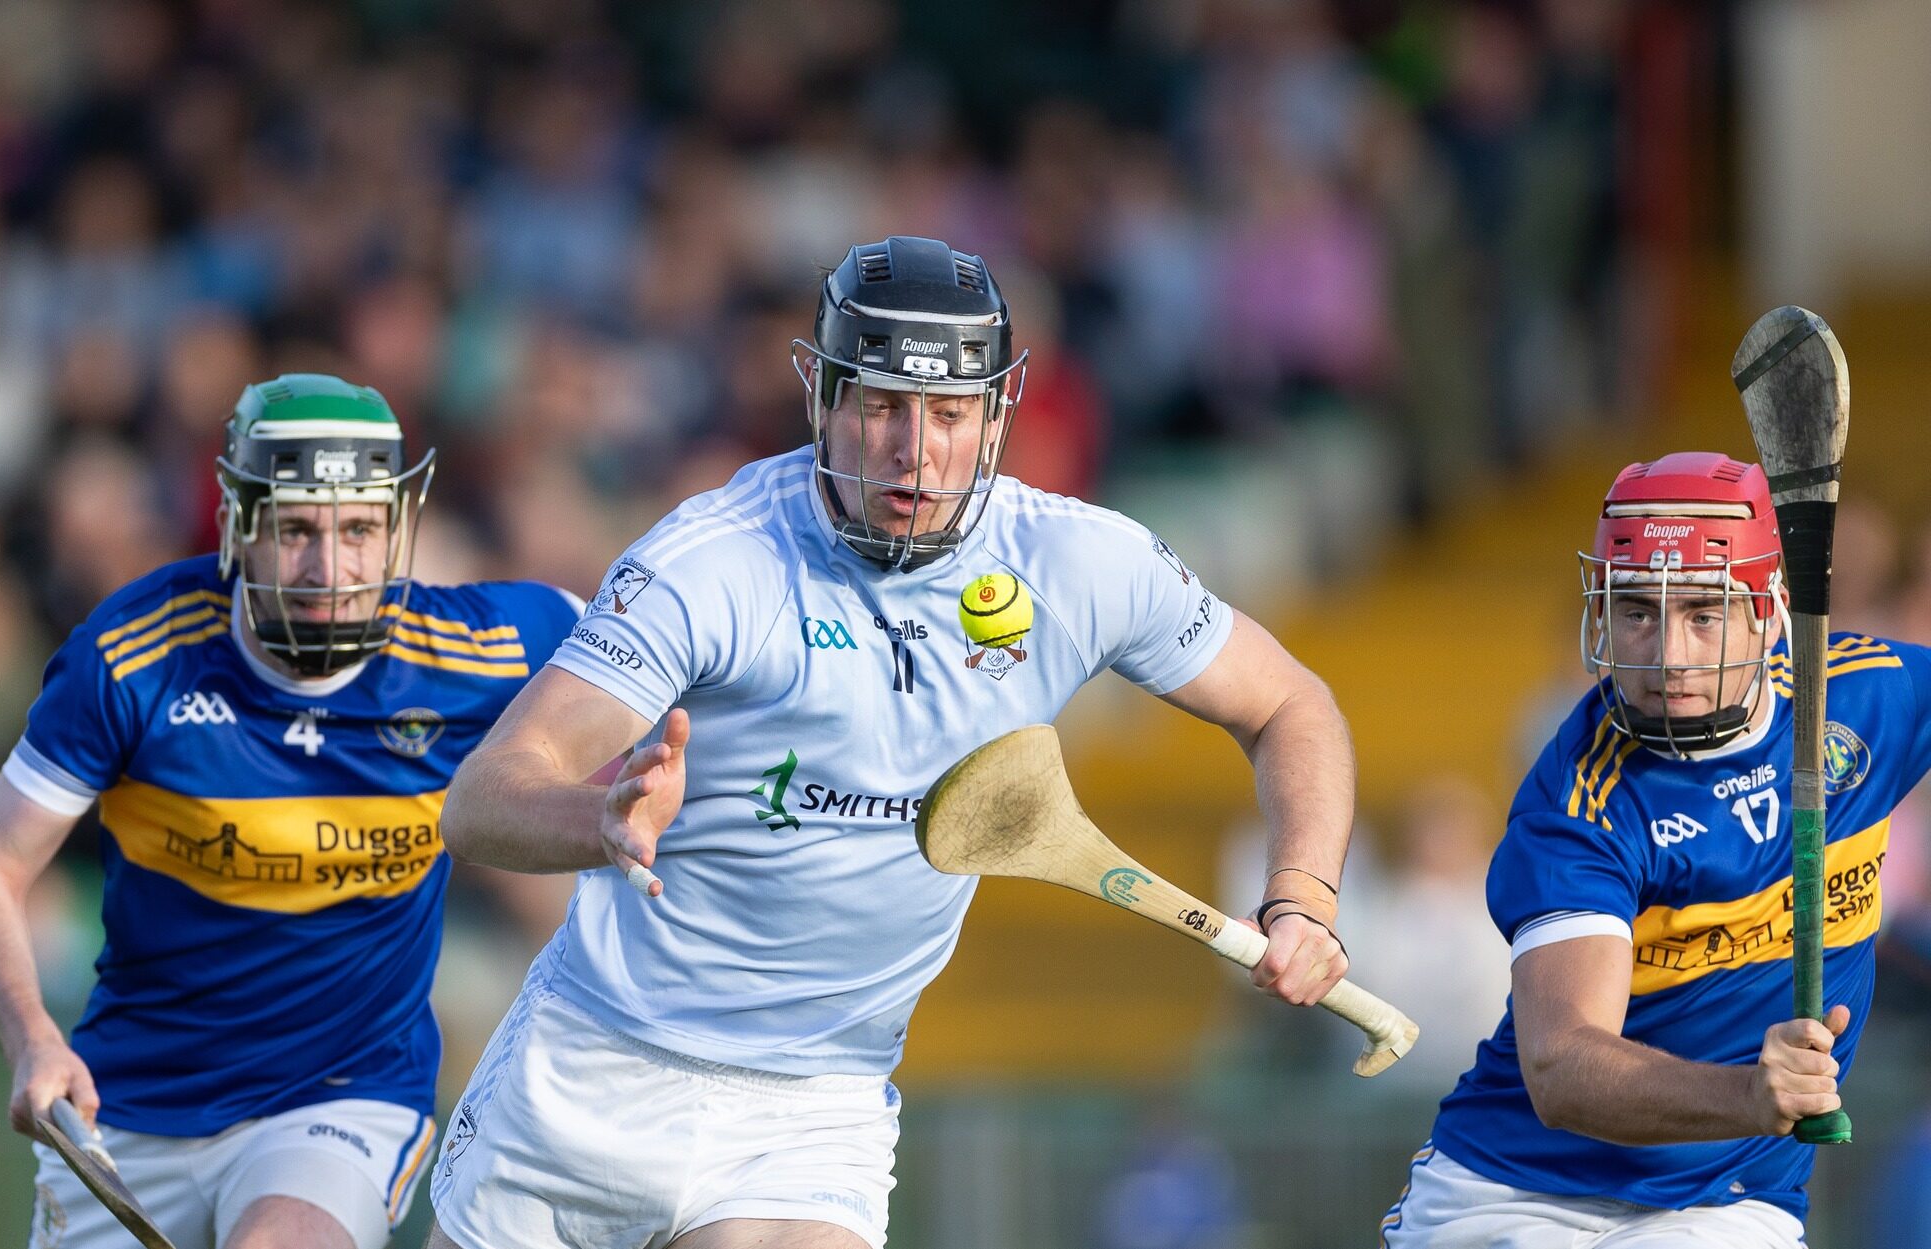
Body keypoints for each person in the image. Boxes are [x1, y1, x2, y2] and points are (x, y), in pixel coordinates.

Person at [424, 235, 1359, 1249]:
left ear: (999, 412)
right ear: (821, 396)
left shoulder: (1079, 563)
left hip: (814, 1102)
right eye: (879, 404)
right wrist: (595, 818)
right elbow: (482, 799)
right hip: (594, 1067)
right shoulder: (714, 562)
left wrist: (1301, 896)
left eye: (950, 413)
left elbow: (1288, 707)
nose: (914, 448)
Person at [0, 374, 585, 1249]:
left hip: (342, 1097)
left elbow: (670, 653)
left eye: (359, 529)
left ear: (399, 525)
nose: (331, 567)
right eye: (297, 530)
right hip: (129, 1105)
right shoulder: (133, 657)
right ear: (238, 526)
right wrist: (31, 1038)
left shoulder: (487, 647)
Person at [1382, 452, 1931, 1247]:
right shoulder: (1579, 800)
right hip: (1517, 1191)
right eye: (1638, 610)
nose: (1667, 654)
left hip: (1726, 1200)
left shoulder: (1865, 696)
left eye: (1703, 614)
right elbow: (1563, 1066)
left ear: (1768, 611)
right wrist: (1751, 1094)